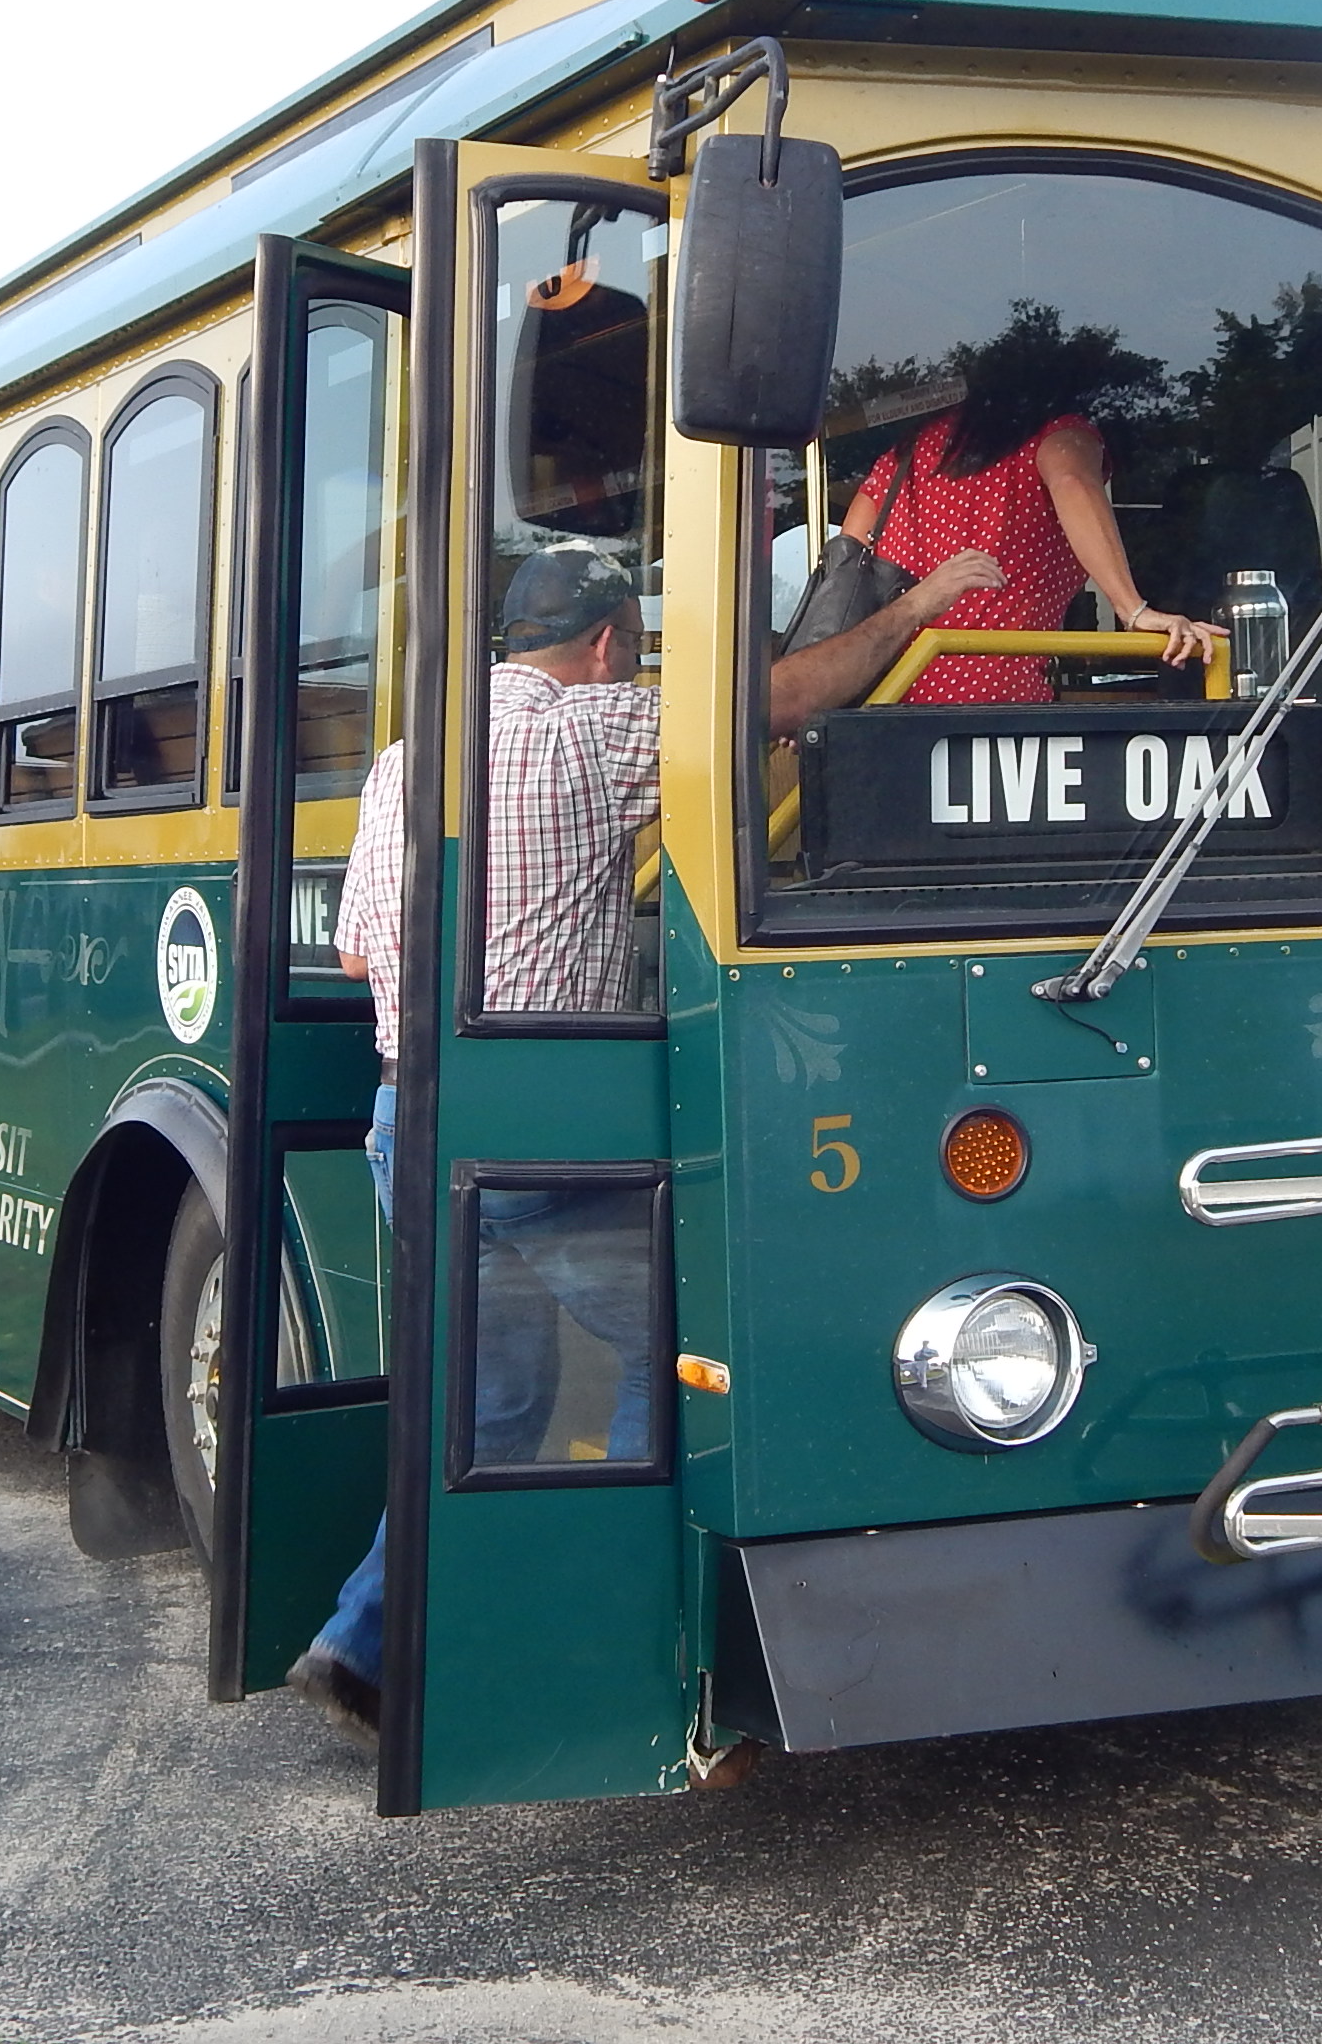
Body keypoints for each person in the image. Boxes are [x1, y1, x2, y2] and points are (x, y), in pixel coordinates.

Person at [287, 537, 1003, 1744]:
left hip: (409, 1120)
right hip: (536, 1125)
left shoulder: (411, 757)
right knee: (669, 1360)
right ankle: (620, 1637)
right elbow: (781, 701)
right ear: (610, 644)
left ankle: (362, 1643)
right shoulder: (594, 727)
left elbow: (359, 954)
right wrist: (922, 604)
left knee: (489, 1405)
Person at [837, 334, 1226, 704]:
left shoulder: (904, 455)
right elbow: (1073, 481)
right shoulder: (1058, 434)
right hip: (995, 693)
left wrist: (829, 679)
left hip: (886, 696)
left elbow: (846, 564)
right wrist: (1133, 610)